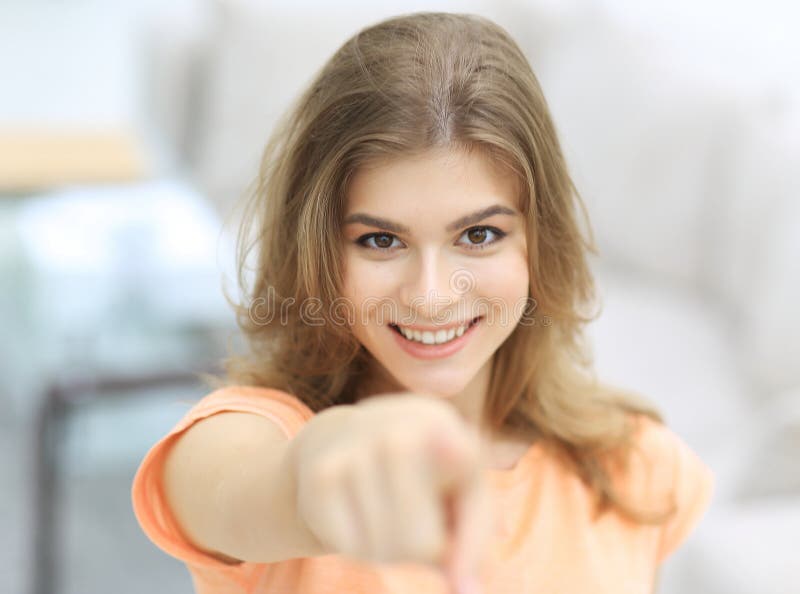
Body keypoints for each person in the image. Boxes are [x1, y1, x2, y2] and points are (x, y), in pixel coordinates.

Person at [131, 11, 714, 594]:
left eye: (479, 235)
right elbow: (246, 488)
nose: (431, 296)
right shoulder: (249, 438)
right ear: (319, 254)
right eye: (380, 241)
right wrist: (319, 473)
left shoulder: (633, 467)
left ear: (540, 240)